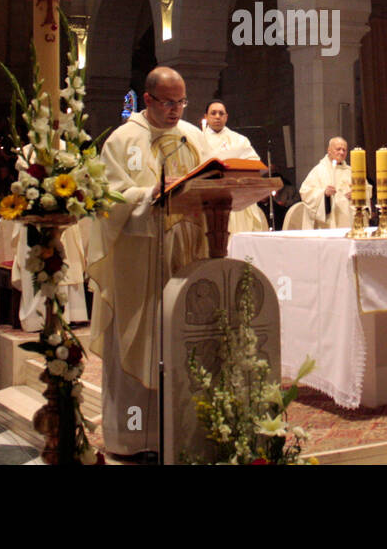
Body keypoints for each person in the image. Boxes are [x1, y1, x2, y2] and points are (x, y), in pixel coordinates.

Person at [88, 66, 207, 461]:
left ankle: (183, 433)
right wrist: (147, 195)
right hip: (140, 262)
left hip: (187, 252)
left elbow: (212, 183)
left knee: (181, 338)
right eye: (169, 102)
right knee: (139, 339)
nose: (176, 110)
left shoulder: (194, 136)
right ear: (148, 99)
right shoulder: (122, 140)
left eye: (182, 101)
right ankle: (133, 437)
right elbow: (106, 198)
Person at [200, 99, 267, 232]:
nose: (217, 116)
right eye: (213, 113)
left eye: (221, 113)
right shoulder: (197, 139)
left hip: (236, 195)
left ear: (226, 117)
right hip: (207, 195)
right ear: (206, 117)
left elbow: (254, 164)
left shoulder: (239, 140)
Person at [300, 137, 365, 228]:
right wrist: (324, 194)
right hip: (328, 224)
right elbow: (305, 192)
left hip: (350, 221)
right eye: (338, 149)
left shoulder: (351, 171)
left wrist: (357, 194)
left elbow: (366, 190)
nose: (341, 152)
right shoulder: (319, 170)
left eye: (344, 150)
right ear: (329, 150)